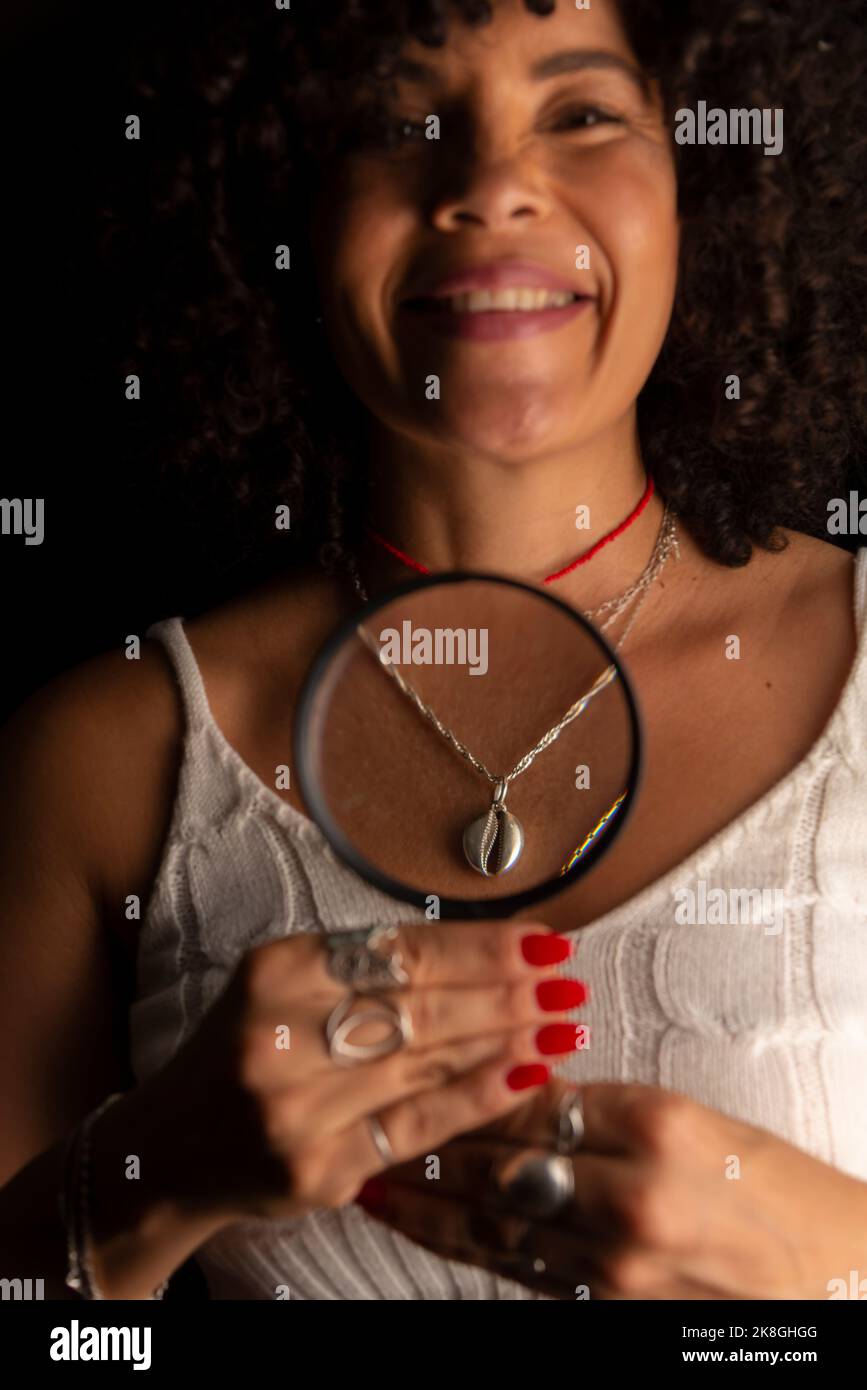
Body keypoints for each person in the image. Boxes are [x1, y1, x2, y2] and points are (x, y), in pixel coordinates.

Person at [1, 0, 866, 1300]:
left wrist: (816, 1254)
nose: (493, 187)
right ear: (282, 202)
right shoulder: (102, 757)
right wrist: (149, 1171)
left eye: (581, 112)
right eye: (399, 123)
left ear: (707, 184)